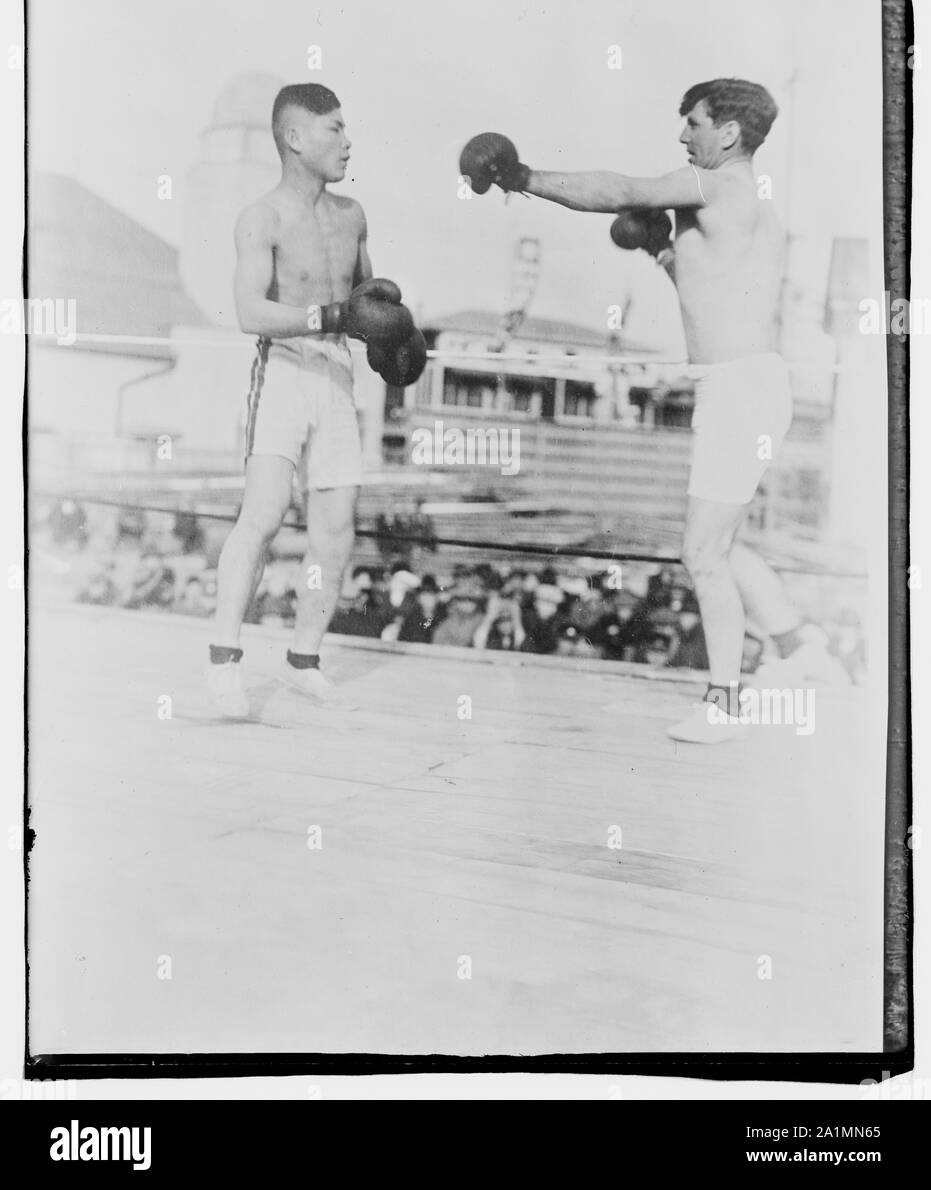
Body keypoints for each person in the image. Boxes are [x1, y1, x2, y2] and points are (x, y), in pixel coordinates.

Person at [461, 79, 845, 743]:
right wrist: (659, 251)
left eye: (692, 123)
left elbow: (618, 190)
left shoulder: (719, 186)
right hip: (740, 386)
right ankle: (800, 646)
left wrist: (522, 177)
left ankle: (724, 702)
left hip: (739, 390)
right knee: (723, 544)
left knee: (700, 551)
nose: (682, 135)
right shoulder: (746, 207)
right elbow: (708, 294)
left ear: (728, 133)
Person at [206, 82, 416, 717]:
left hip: (337, 376)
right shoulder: (261, 218)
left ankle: (303, 659)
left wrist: (394, 342)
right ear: (295, 138)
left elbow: (366, 302)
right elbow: (248, 311)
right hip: (285, 370)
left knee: (334, 532)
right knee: (264, 515)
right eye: (334, 129)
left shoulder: (352, 216)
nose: (348, 142)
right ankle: (223, 663)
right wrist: (329, 314)